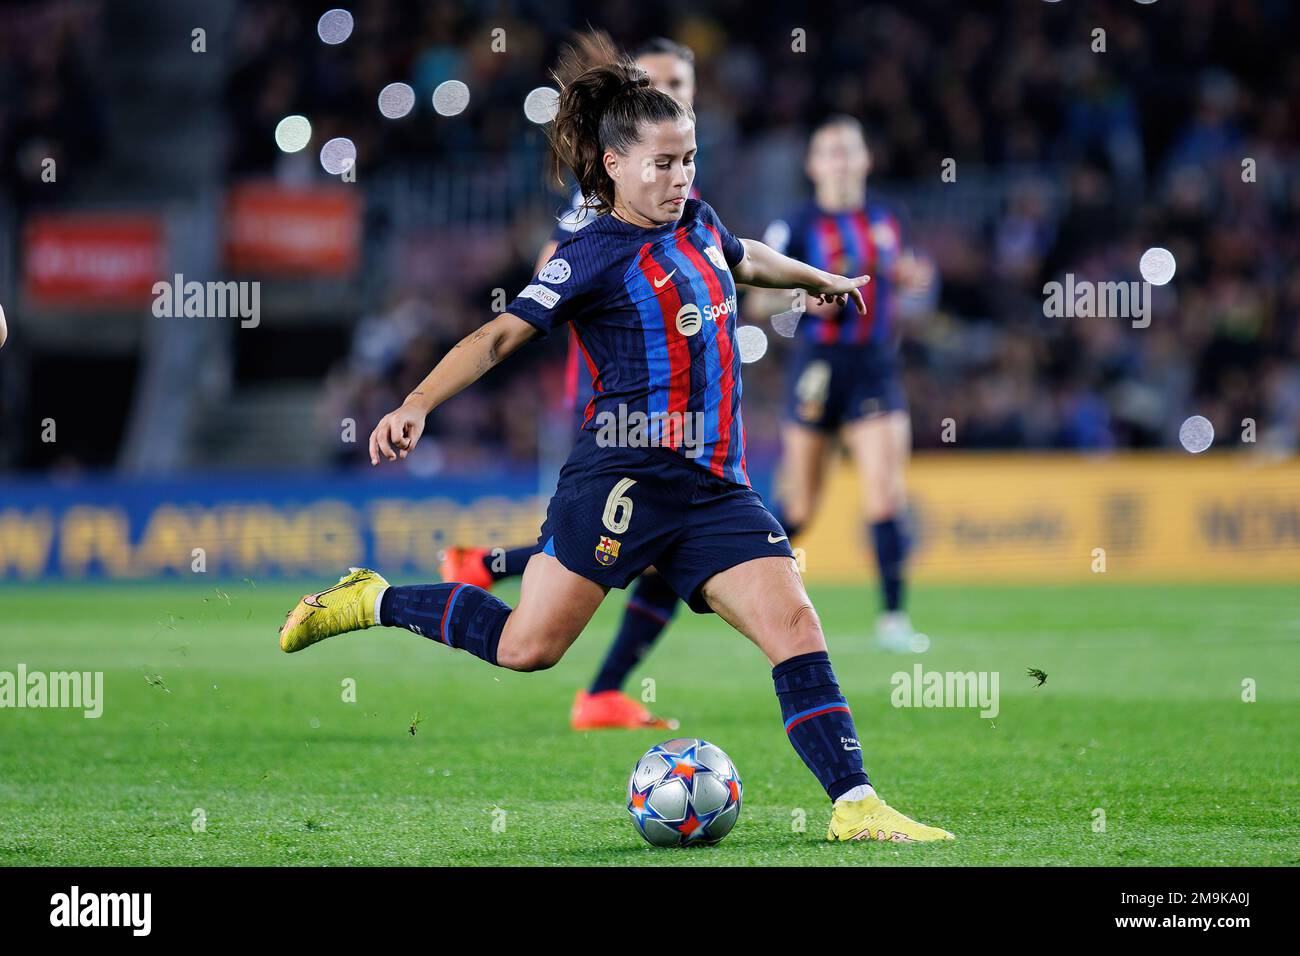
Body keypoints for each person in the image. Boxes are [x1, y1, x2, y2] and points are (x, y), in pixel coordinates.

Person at [278, 41, 953, 845]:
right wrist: (416, 401)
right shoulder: (588, 255)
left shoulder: (698, 220)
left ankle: (856, 803)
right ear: (613, 166)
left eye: (689, 160)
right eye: (663, 164)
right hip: (617, 483)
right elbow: (498, 339)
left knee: (797, 627)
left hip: (713, 487)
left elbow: (745, 260)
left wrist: (815, 279)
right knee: (529, 647)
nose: (679, 178)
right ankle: (373, 599)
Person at [440, 35, 700, 731]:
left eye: (683, 82)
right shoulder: (610, 204)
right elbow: (562, 266)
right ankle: (598, 688)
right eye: (662, 81)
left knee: (659, 549)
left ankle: (496, 568)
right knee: (654, 544)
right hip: (618, 399)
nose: (676, 91)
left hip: (672, 410)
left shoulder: (680, 192)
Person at [750, 116, 935, 652]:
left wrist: (913, 282)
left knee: (885, 492)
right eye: (829, 151)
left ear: (865, 160)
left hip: (875, 366)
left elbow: (908, 284)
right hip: (817, 367)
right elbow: (756, 298)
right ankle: (733, 583)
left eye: (849, 150)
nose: (840, 160)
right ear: (813, 166)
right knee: (800, 510)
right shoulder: (796, 224)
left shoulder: (886, 218)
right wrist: (796, 300)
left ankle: (894, 619)